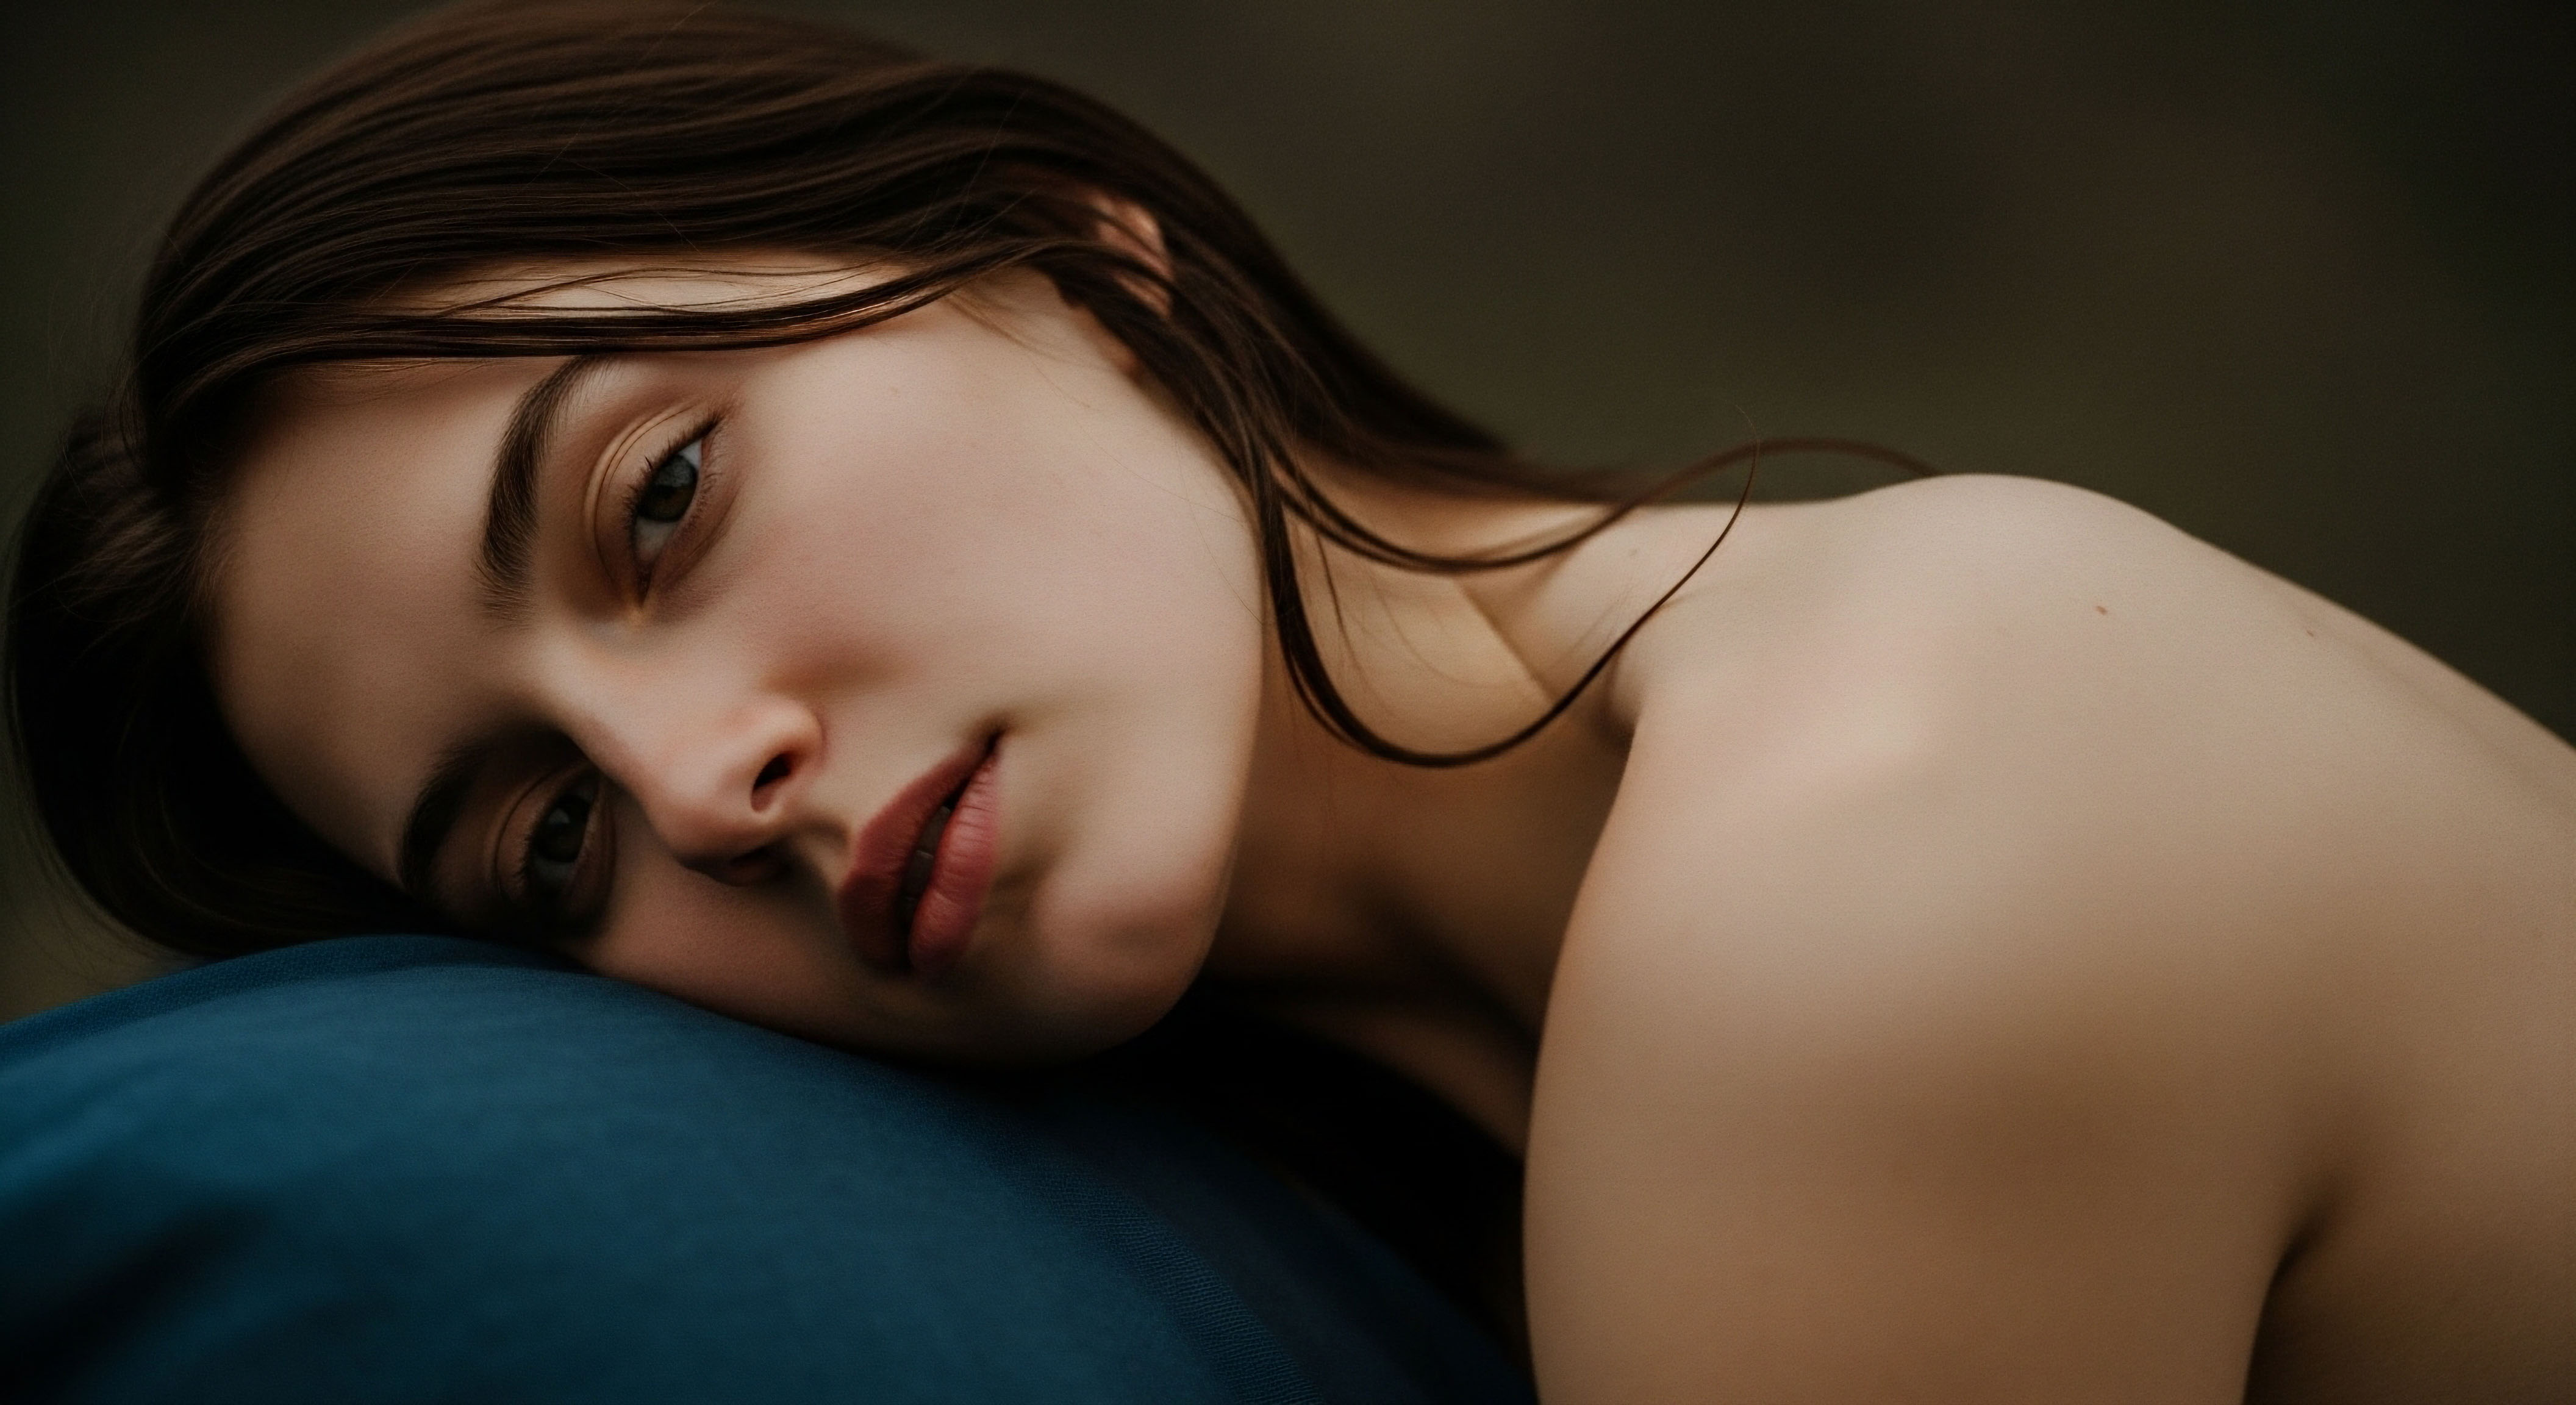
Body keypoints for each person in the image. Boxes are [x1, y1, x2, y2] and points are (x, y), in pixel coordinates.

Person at [8, 2, 2568, 1400]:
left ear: (1068, 258)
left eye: (659, 503)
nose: (702, 785)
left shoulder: (1872, 853)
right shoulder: (1469, 1131)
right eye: (547, 844)